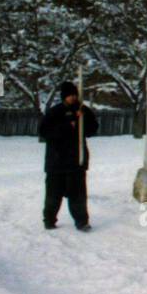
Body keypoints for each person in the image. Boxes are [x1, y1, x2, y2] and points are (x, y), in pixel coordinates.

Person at [39, 81, 99, 231]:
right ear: (63, 96)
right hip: (56, 161)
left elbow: (92, 130)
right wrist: (68, 125)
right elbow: (44, 132)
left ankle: (82, 222)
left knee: (78, 195)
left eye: (74, 94)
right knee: (53, 194)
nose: (72, 97)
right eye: (69, 95)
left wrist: (82, 121)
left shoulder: (83, 110)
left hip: (76, 160)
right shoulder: (55, 112)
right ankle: (49, 220)